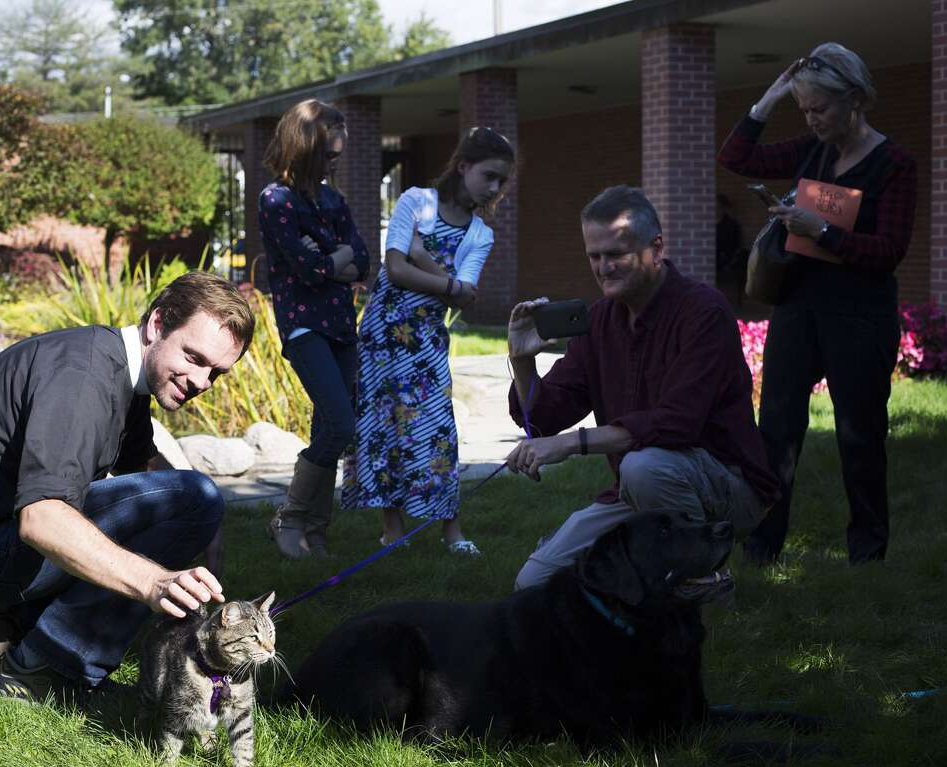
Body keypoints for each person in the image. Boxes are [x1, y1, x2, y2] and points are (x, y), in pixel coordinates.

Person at [0, 272, 255, 705]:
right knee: (193, 502)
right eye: (195, 358)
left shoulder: (116, 366)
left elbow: (143, 466)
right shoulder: (83, 376)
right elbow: (42, 518)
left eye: (216, 373)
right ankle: (46, 668)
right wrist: (154, 581)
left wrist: (208, 519)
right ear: (157, 324)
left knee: (196, 500)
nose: (202, 381)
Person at [504, 186, 779, 590]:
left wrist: (570, 444)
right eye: (594, 256)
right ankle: (653, 564)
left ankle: (703, 578)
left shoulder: (703, 311)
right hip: (637, 489)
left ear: (656, 248)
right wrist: (522, 360)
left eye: (616, 254)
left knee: (644, 466)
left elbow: (676, 424)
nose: (603, 268)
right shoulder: (598, 320)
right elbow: (543, 419)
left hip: (727, 485)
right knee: (535, 583)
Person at [717, 43, 917, 565]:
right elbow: (735, 158)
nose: (812, 119)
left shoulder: (893, 163)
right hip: (799, 310)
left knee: (860, 435)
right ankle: (763, 545)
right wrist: (770, 98)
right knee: (777, 430)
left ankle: (868, 554)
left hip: (860, 317)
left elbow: (889, 252)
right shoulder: (812, 150)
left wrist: (822, 231)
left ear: (854, 99)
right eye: (804, 109)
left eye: (820, 108)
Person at [342, 127, 515, 556]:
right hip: (382, 337)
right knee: (384, 426)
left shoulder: (481, 235)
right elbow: (393, 269)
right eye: (489, 176)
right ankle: (392, 531)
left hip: (426, 341)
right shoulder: (417, 201)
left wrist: (421, 255)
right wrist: (446, 281)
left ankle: (451, 531)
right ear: (463, 167)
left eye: (501, 181)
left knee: (438, 431)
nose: (494, 188)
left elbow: (465, 293)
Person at [259, 99, 370, 559]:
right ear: (303, 147)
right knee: (340, 423)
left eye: (338, 155)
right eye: (328, 154)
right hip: (304, 326)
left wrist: (331, 259)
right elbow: (306, 271)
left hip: (342, 325)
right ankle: (288, 517)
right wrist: (332, 258)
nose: (333, 163)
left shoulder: (332, 200)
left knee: (330, 424)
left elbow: (362, 260)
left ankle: (316, 534)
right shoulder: (275, 199)